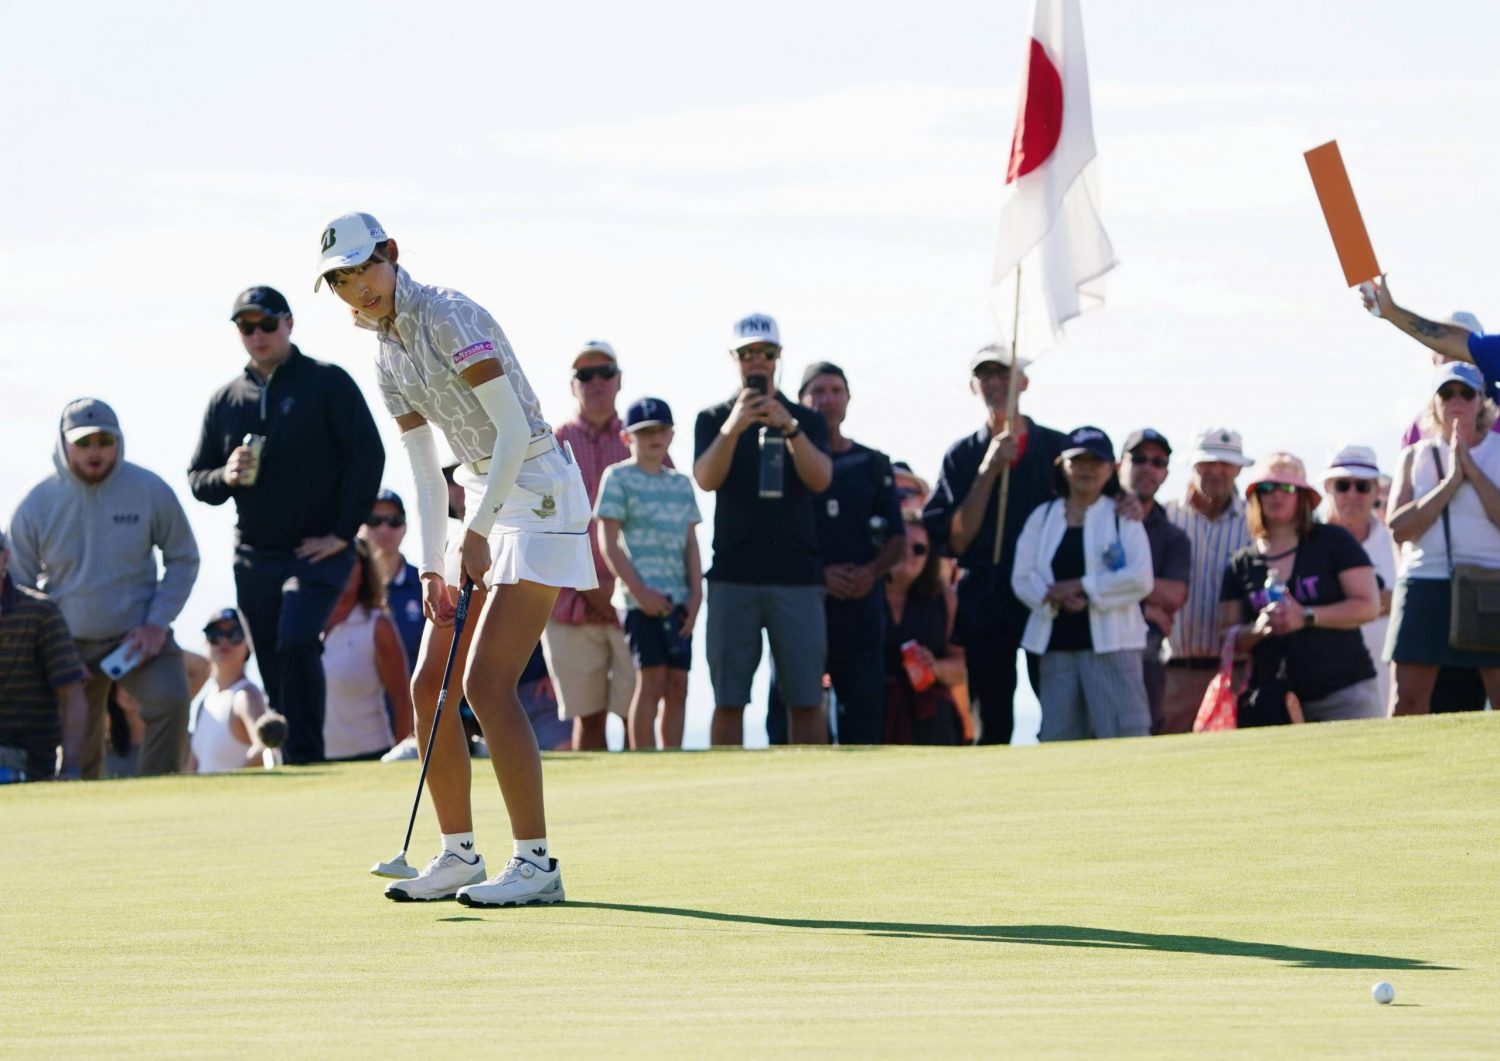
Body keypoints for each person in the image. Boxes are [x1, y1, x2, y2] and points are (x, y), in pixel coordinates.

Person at [318, 211, 594, 906]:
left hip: (536, 492)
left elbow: (509, 430)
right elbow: (419, 464)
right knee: (426, 686)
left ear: (391, 254)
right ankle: (457, 853)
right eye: (341, 280)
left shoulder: (445, 315)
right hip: (479, 490)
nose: (358, 289)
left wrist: (477, 528)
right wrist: (435, 557)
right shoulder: (385, 353)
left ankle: (536, 863)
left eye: (363, 269)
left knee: (487, 682)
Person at [188, 284, 385, 765]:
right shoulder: (225, 400)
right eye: (245, 326)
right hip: (254, 554)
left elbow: (369, 455)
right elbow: (198, 480)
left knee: (297, 638)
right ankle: (287, 759)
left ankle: (307, 759)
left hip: (317, 552)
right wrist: (225, 474)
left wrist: (343, 533)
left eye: (267, 324)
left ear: (289, 323)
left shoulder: (327, 381)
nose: (257, 335)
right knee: (274, 659)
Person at [9, 398, 200, 779]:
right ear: (63, 444)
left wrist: (156, 624)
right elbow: (20, 586)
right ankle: (83, 813)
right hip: (67, 644)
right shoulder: (36, 503)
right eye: (83, 442)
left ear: (119, 441)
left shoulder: (149, 489)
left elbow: (183, 557)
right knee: (81, 747)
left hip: (137, 637)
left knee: (171, 697)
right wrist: (50, 651)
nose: (94, 451)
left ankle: (159, 795)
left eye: (104, 440)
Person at [693, 313, 833, 746]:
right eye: (747, 353)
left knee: (807, 698)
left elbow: (821, 478)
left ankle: (810, 792)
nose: (757, 362)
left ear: (778, 358)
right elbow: (706, 478)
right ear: (734, 358)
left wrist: (787, 425)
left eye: (765, 353)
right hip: (734, 575)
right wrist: (735, 426)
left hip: (797, 577)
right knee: (729, 699)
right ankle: (724, 795)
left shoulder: (806, 420)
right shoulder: (712, 418)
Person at [922, 343, 1068, 744]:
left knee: (1060, 717)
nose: (995, 383)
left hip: (1046, 597)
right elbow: (955, 537)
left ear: (1024, 381)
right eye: (986, 375)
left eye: (1003, 374)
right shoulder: (961, 456)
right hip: (986, 598)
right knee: (992, 722)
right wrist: (988, 470)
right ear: (973, 385)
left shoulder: (1059, 449)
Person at [768, 362, 905, 746]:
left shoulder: (873, 463)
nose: (827, 399)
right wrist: (818, 575)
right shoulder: (783, 461)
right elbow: (773, 535)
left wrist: (871, 572)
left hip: (861, 611)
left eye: (835, 390)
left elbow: (897, 538)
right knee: (789, 711)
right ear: (800, 400)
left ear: (848, 398)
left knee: (863, 716)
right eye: (818, 391)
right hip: (801, 605)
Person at [1012, 427, 1154, 741]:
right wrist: (1053, 597)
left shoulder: (1122, 516)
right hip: (1056, 652)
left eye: (1096, 461)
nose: (1087, 468)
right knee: (1059, 747)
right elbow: (1022, 576)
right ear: (1062, 465)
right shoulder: (1043, 516)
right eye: (1078, 461)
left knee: (1124, 742)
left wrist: (1083, 587)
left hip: (1114, 650)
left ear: (1111, 468)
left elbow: (1140, 578)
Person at [1220, 453, 1381, 723]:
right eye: (1267, 488)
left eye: (1286, 487)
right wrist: (1257, 629)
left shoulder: (1334, 541)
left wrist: (1306, 616)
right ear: (1256, 497)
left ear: (1302, 496)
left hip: (1343, 694)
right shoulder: (1241, 563)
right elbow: (1226, 634)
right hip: (1271, 704)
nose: (1276, 495)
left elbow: (1368, 605)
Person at [1385, 363, 1500, 714]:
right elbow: (1399, 528)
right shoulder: (1413, 457)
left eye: (1467, 393)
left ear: (1482, 401)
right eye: (1447, 393)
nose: (1457, 401)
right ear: (1433, 404)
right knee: (1408, 701)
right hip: (1424, 581)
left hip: (1489, 581)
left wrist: (1471, 469)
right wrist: (1450, 482)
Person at [543, 340, 635, 751]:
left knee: (640, 716)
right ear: (572, 385)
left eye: (604, 373)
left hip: (635, 603)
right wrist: (593, 590)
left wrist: (620, 589)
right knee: (588, 720)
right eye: (585, 374)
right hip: (568, 604)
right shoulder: (550, 444)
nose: (595, 382)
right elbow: (542, 524)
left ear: (619, 381)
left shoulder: (642, 439)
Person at [596, 398, 703, 749]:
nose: (653, 438)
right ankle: (645, 760)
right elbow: (607, 541)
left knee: (678, 683)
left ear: (671, 434)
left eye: (659, 430)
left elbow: (691, 544)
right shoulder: (618, 477)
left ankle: (672, 758)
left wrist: (697, 595)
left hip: (679, 598)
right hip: (638, 600)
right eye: (644, 432)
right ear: (628, 438)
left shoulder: (681, 484)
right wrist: (640, 593)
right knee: (652, 678)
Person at [1160, 428, 1253, 734]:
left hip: (1238, 672)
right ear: (1193, 466)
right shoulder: (1166, 516)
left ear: (1239, 469)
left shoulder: (1256, 521)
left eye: (1225, 464)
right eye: (1207, 463)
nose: (1216, 471)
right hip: (1177, 673)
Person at [0, 528, 89, 781]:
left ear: (5, 558)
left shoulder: (40, 613)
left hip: (24, 756)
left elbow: (72, 693)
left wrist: (70, 768)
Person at [1118, 429, 1191, 732]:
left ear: (1166, 473)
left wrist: (1119, 589)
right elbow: (1081, 580)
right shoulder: (1093, 517)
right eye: (1139, 459)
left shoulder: (1173, 535)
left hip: (1147, 657)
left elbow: (1174, 595)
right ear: (1118, 463)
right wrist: (1147, 606)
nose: (1148, 468)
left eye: (1158, 462)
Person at [322, 539, 416, 761]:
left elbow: (402, 697)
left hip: (372, 755)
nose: (343, 568)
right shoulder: (304, 625)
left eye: (350, 561)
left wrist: (401, 754)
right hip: (315, 756)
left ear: (363, 570)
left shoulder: (378, 625)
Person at [1320, 444, 1398, 712]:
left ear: (1376, 491)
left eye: (1362, 486)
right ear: (1327, 489)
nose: (1352, 494)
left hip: (1388, 685)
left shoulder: (1397, 542)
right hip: (1325, 689)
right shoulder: (1307, 544)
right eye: (1342, 485)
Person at [882, 515, 966, 744]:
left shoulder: (945, 598)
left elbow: (963, 666)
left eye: (919, 549)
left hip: (930, 717)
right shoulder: (863, 593)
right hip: (870, 710)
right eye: (900, 545)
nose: (908, 554)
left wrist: (934, 667)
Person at [188, 609, 282, 773]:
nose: (224, 641)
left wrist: (229, 784)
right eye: (215, 634)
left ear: (247, 646)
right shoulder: (204, 704)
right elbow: (195, 765)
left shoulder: (246, 696)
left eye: (235, 634)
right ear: (205, 643)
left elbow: (264, 750)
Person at [362, 489, 426, 671]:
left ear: (405, 527)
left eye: (394, 521)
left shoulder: (427, 587)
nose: (384, 529)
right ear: (360, 527)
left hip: (411, 698)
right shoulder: (344, 587)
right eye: (374, 521)